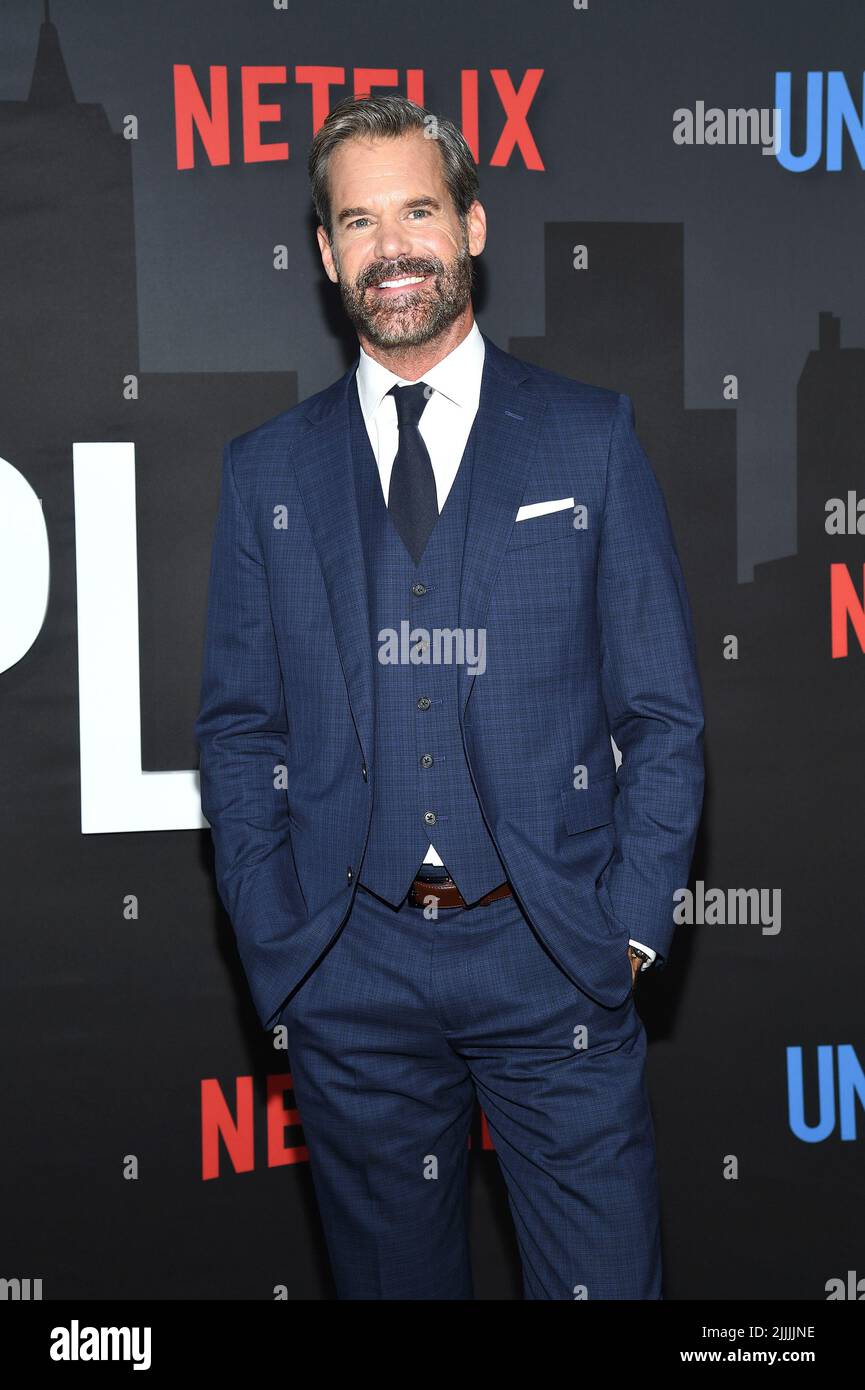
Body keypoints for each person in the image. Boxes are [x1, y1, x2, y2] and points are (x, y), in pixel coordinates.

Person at [194, 93, 705, 1300]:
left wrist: (624, 926)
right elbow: (238, 724)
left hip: (551, 955)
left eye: (418, 208)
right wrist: (285, 935)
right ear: (325, 255)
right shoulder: (266, 469)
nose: (393, 246)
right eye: (358, 222)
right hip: (349, 967)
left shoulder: (587, 437)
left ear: (471, 224)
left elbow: (663, 713)